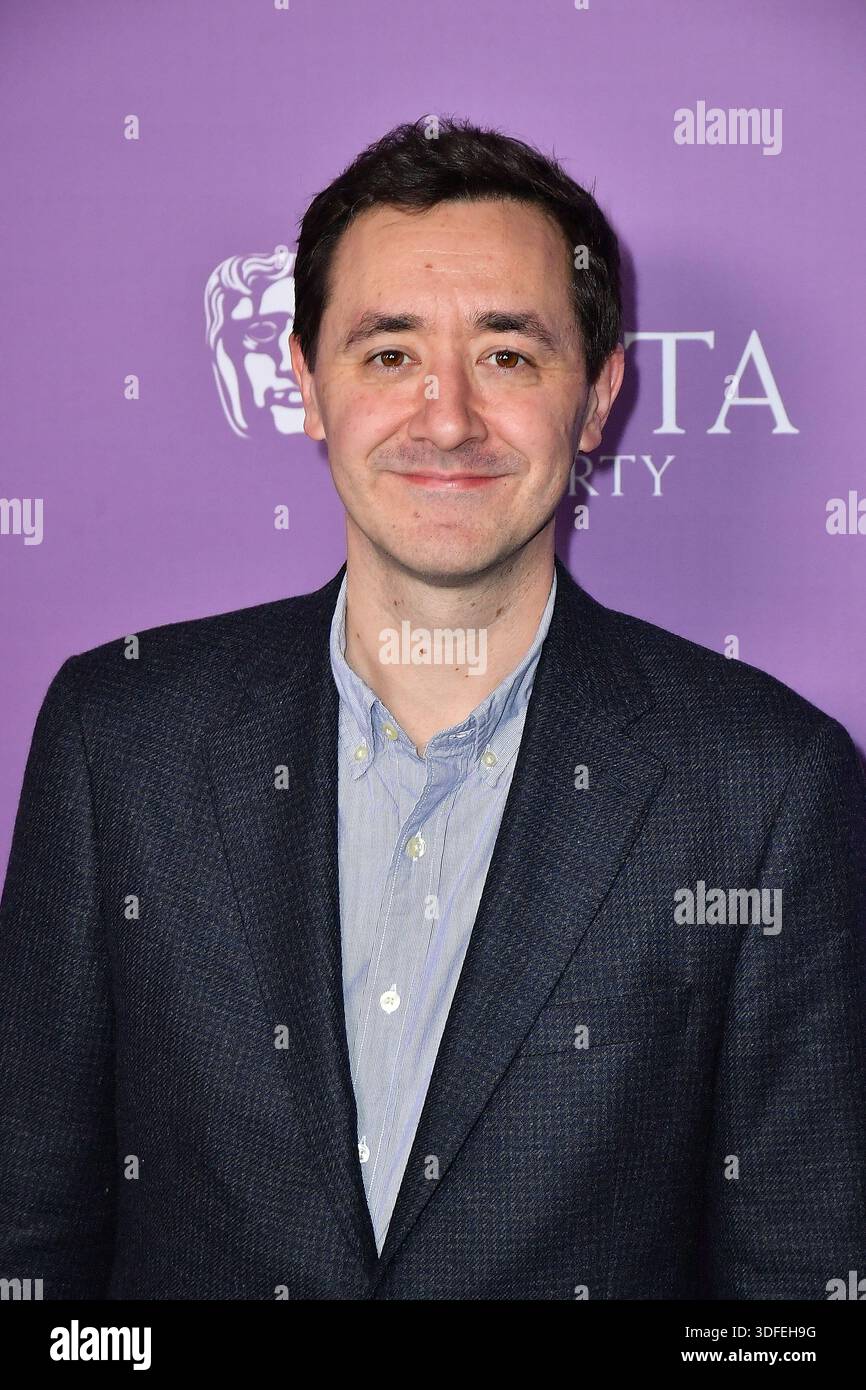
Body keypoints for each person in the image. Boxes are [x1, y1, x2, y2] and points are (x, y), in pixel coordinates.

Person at [1, 116, 864, 1300]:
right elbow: (27, 1233)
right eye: (388, 353)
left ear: (599, 395)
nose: (447, 417)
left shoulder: (765, 783)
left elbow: (792, 1297)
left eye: (508, 355)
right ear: (306, 384)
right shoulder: (119, 736)